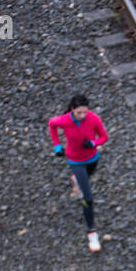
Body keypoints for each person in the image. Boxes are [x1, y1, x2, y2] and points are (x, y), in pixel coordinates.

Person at [48, 95, 108, 252]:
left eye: (85, 112)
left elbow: (104, 137)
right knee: (88, 199)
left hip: (92, 159)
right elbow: (51, 124)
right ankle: (92, 233)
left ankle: (78, 181)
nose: (82, 115)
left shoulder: (93, 119)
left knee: (86, 178)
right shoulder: (63, 120)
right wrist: (57, 145)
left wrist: (93, 143)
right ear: (72, 109)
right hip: (76, 161)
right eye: (79, 112)